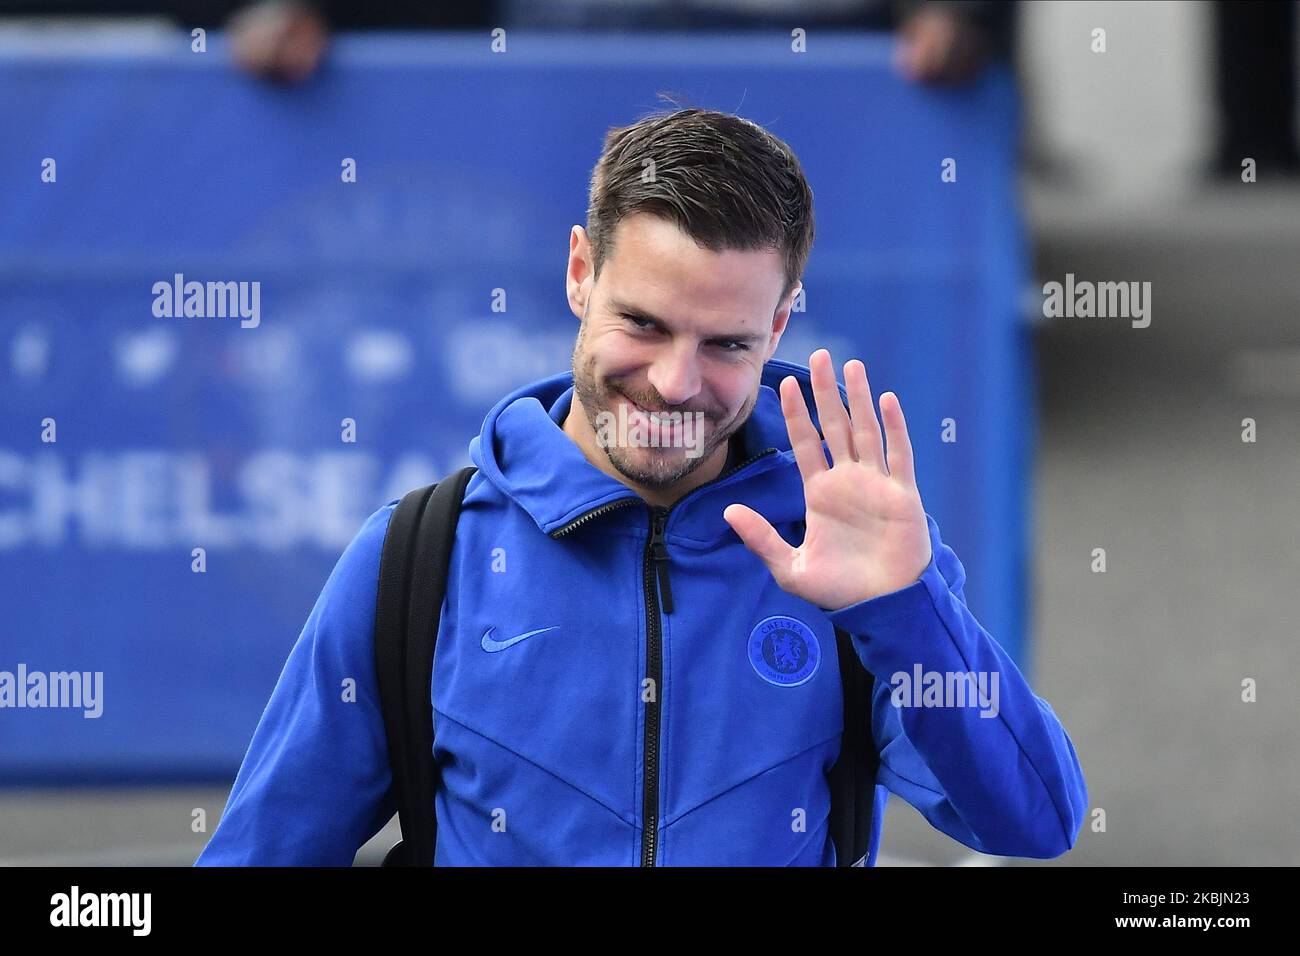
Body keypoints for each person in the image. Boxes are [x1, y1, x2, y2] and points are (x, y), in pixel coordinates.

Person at [195, 106, 1086, 866]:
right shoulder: (417, 560)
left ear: (779, 324)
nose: (673, 382)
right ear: (581, 273)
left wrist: (905, 610)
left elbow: (1035, 821)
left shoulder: (848, 555)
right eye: (644, 324)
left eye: (727, 344)